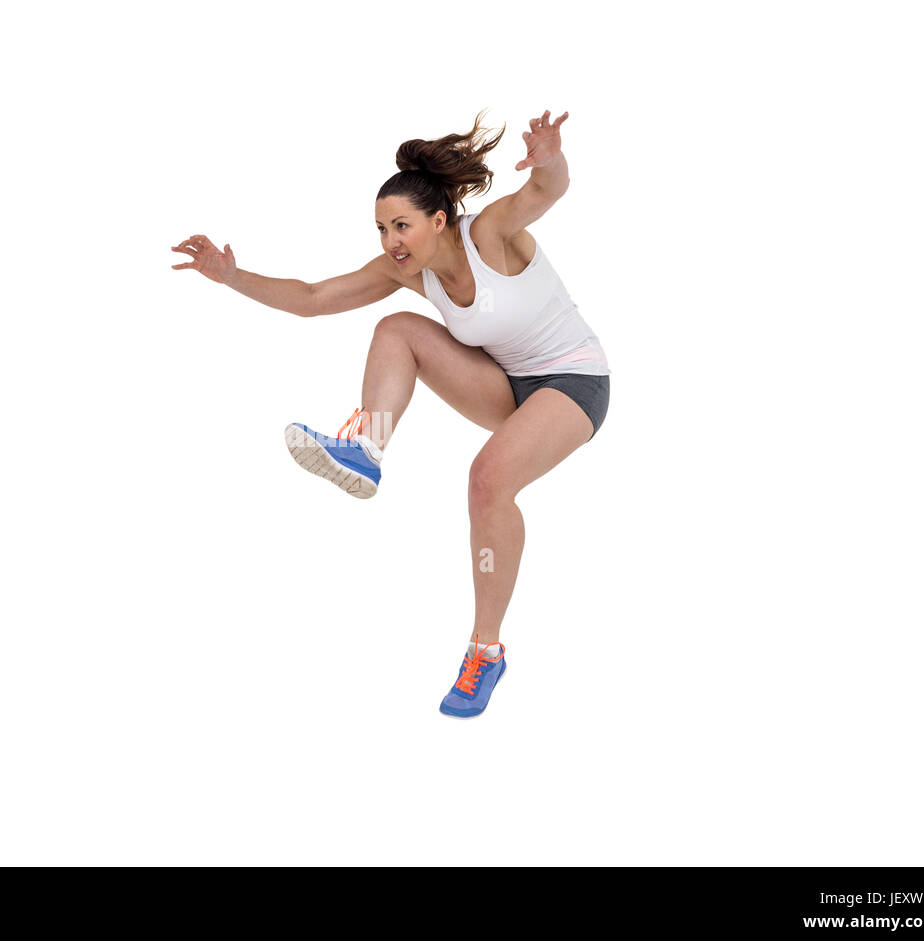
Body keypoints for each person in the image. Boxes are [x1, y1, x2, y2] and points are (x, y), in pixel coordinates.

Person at [170, 108, 610, 718]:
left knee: (488, 481)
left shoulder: (489, 235)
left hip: (574, 379)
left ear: (438, 221)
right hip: (505, 386)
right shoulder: (406, 273)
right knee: (396, 327)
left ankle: (485, 651)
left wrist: (551, 156)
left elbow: (545, 189)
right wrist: (231, 276)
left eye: (400, 226)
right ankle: (367, 448)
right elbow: (314, 298)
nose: (390, 243)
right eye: (380, 229)